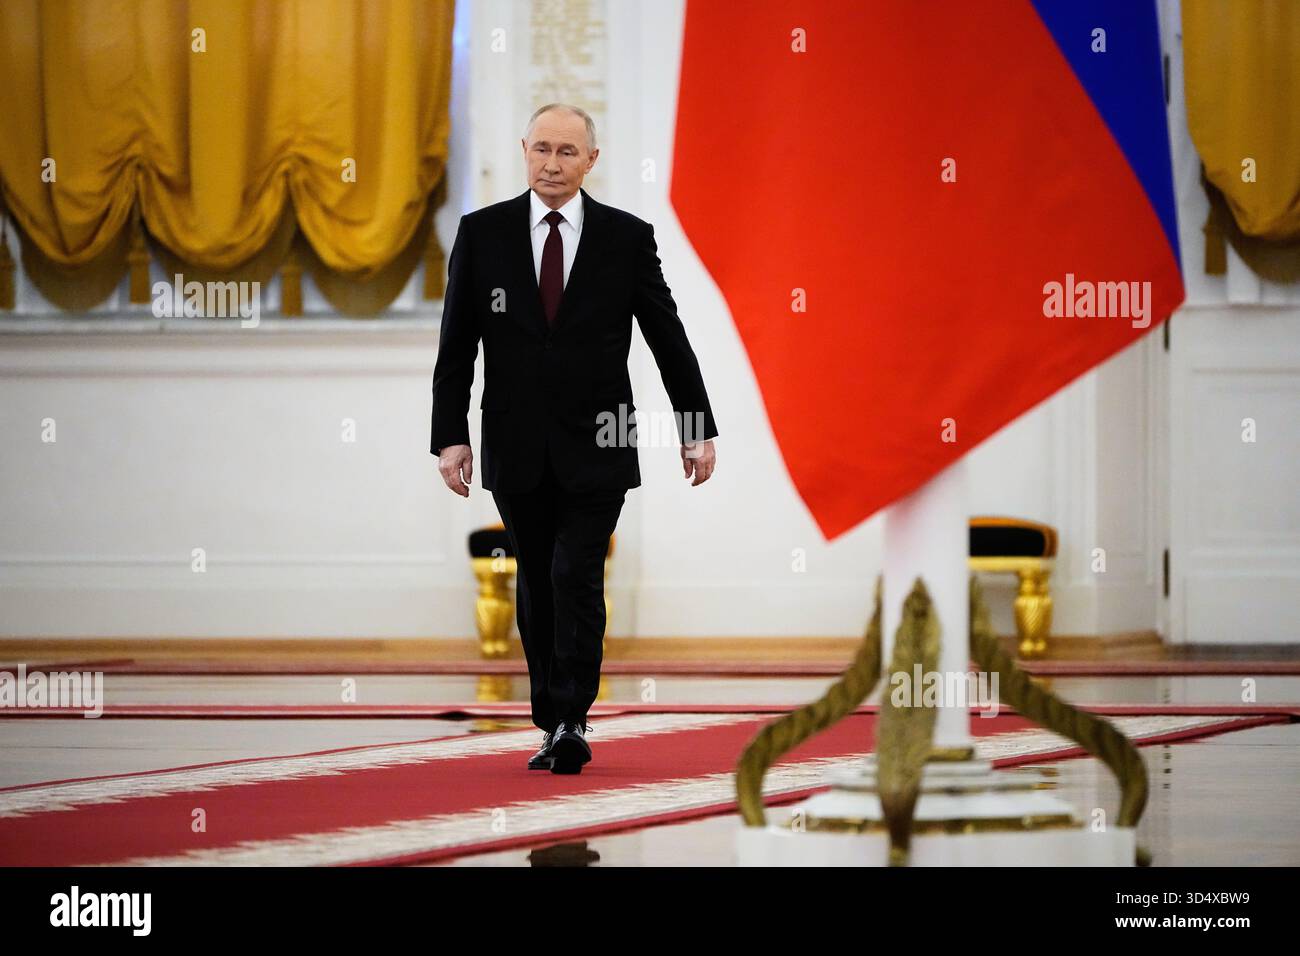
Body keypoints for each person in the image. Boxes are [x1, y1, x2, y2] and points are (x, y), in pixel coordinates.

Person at [430, 103, 717, 774]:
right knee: (537, 577)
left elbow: (668, 339)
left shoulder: (626, 238)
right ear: (523, 150)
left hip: (601, 441)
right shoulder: (483, 234)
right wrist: (451, 437)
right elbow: (457, 348)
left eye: (567, 152)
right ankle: (551, 717)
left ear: (592, 160)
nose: (551, 164)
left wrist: (695, 430)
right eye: (541, 149)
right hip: (514, 443)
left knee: (576, 571)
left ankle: (573, 716)